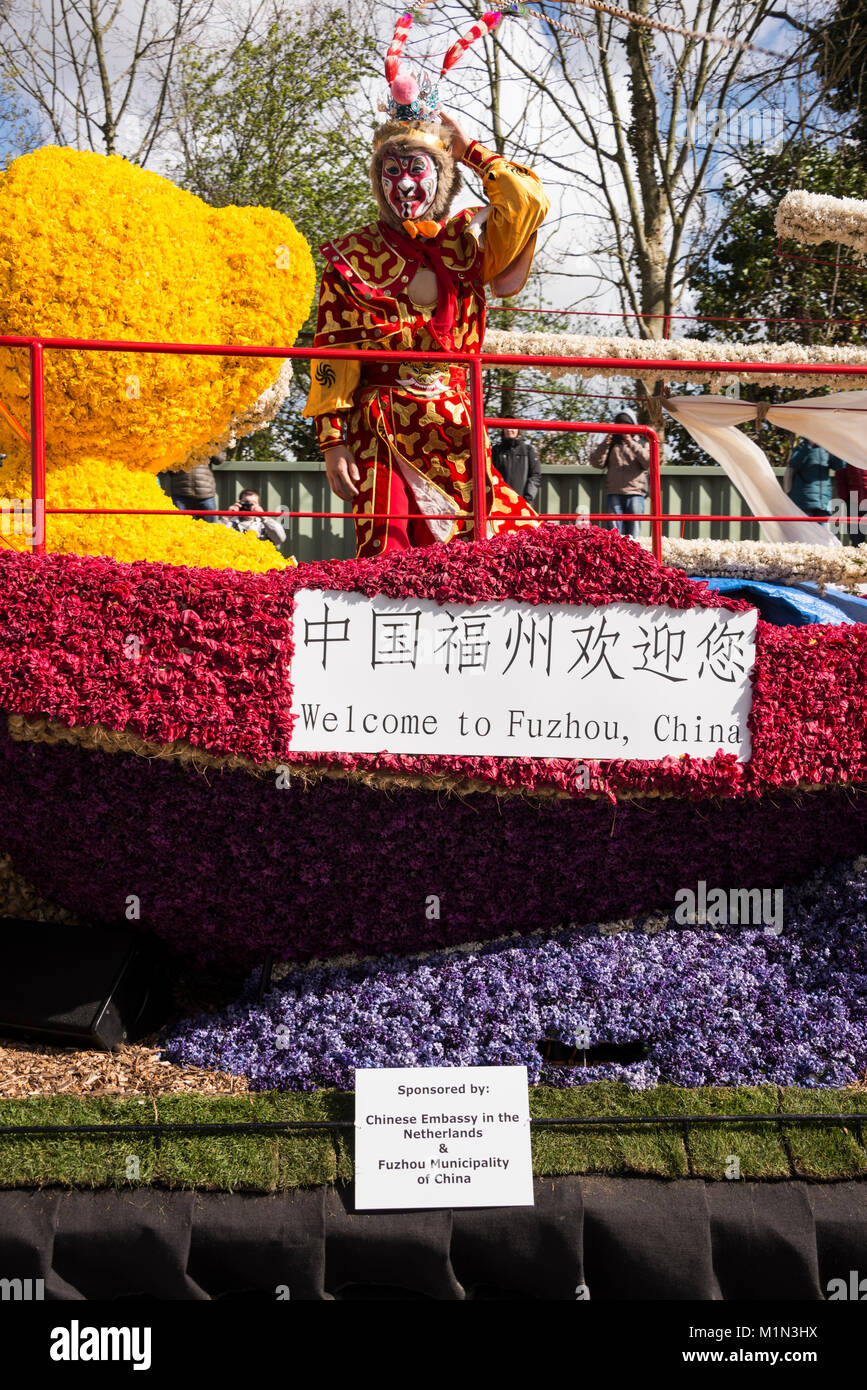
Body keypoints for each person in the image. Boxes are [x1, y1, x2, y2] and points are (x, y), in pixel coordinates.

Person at [303, 12, 549, 558]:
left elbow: (529, 199)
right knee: (387, 558)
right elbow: (330, 354)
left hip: (459, 428)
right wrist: (332, 442)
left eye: (417, 168)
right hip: (381, 427)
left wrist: (472, 150)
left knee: (482, 557)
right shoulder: (352, 256)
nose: (405, 184)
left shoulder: (467, 242)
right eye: (390, 171)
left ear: (443, 176)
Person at [588, 408, 649, 539]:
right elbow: (596, 462)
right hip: (614, 492)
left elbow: (649, 462)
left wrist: (631, 443)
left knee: (635, 532)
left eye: (627, 426)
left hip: (635, 493)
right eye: (620, 426)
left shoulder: (642, 442)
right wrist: (606, 442)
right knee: (614, 534)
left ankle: (634, 556)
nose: (623, 430)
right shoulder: (611, 445)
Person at [786, 437, 845, 528]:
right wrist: (808, 446)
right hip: (804, 501)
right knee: (806, 536)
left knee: (823, 537)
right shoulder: (801, 447)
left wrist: (833, 450)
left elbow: (840, 465)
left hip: (823, 503)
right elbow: (793, 464)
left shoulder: (826, 448)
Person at [166, 452, 225, 520]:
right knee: (179, 527)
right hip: (181, 494)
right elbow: (166, 465)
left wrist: (211, 444)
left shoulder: (205, 443)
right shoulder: (177, 444)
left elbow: (219, 460)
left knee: (210, 528)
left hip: (205, 494)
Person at [217, 489, 286, 547]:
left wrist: (264, 517)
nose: (249, 506)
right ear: (239, 503)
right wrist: (226, 517)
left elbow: (280, 539)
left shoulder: (264, 524)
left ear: (259, 505)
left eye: (253, 503)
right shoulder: (229, 523)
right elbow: (214, 537)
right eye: (246, 503)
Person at [492, 426, 542, 505]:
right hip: (501, 503)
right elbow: (490, 474)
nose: (509, 429)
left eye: (513, 427)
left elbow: (535, 475)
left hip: (523, 503)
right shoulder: (496, 450)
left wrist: (528, 497)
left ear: (518, 430)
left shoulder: (528, 450)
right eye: (506, 427)